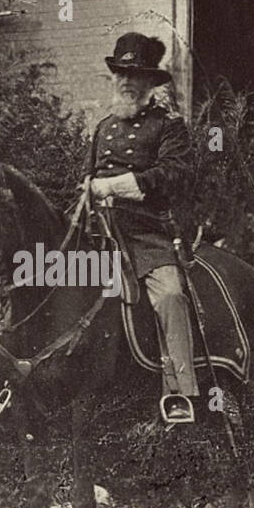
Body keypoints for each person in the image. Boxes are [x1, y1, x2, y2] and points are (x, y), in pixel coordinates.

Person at [84, 32, 199, 425]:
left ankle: (179, 392)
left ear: (151, 82)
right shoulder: (102, 128)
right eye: (121, 73)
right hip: (97, 233)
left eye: (135, 75)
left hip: (146, 234)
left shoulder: (168, 126)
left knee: (169, 295)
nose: (127, 81)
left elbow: (175, 173)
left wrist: (117, 186)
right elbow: (87, 177)